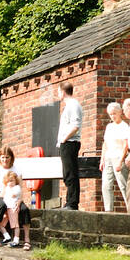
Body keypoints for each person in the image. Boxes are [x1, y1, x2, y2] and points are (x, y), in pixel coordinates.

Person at [99, 102, 130, 211]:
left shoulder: (124, 126)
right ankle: (108, 210)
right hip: (108, 158)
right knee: (106, 185)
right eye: (111, 114)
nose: (112, 116)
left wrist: (121, 161)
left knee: (123, 185)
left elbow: (126, 145)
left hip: (118, 157)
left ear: (120, 112)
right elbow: (105, 144)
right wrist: (102, 160)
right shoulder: (109, 127)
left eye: (114, 113)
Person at [57, 82, 83, 210]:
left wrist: (64, 139)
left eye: (58, 92)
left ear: (62, 92)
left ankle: (72, 203)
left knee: (70, 173)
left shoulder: (73, 105)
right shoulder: (70, 106)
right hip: (67, 143)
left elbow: (75, 126)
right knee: (68, 172)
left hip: (70, 143)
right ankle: (70, 202)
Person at [1, 170, 31, 249]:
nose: (10, 183)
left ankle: (16, 240)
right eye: (8, 181)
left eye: (12, 181)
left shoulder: (16, 188)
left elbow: (14, 195)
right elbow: (2, 195)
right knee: (0, 224)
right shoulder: (7, 187)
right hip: (6, 208)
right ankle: (7, 237)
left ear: (15, 181)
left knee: (15, 225)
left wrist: (8, 190)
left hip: (12, 207)